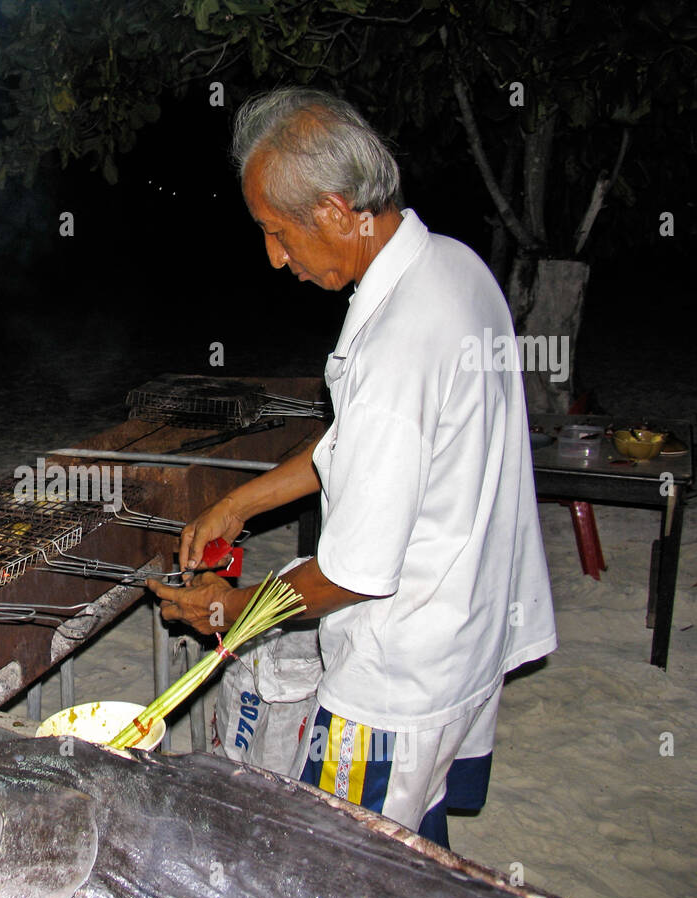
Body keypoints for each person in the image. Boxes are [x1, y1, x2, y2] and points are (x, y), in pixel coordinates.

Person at [148, 88, 557, 848]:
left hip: (397, 682)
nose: (274, 257)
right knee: (417, 845)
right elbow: (357, 446)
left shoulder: (398, 343)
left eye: (277, 232)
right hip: (467, 633)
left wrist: (228, 611)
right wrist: (242, 502)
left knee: (340, 871)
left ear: (336, 212)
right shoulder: (452, 268)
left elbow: (353, 573)